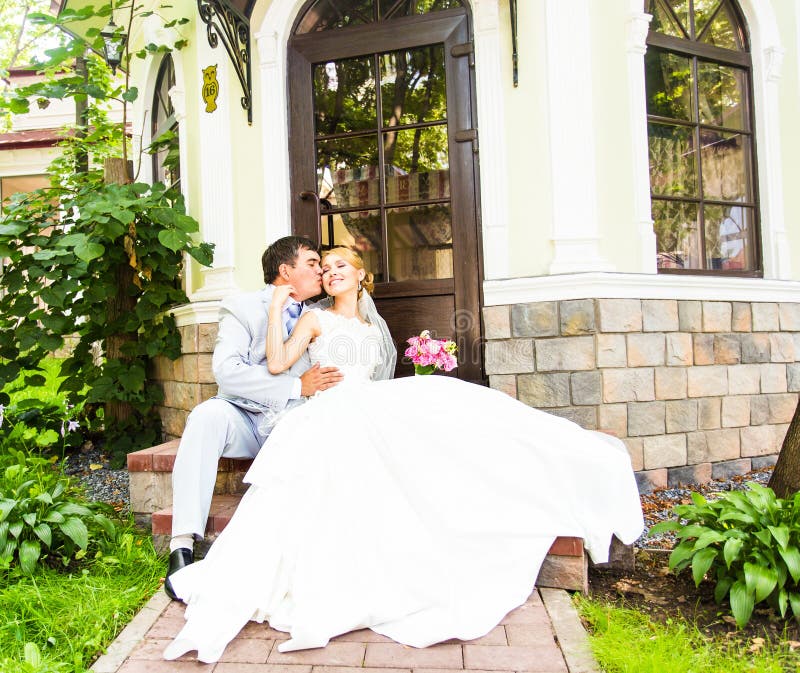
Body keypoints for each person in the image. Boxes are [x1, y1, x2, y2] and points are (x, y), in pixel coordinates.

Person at [164, 247, 644, 662]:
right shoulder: (313, 317)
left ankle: (557, 461)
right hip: (327, 410)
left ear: (359, 276)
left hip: (369, 401)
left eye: (337, 266)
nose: (329, 273)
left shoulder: (375, 327)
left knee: (457, 406)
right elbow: (276, 363)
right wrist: (273, 313)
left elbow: (379, 379)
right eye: (322, 267)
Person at [164, 236, 344, 599]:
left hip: (297, 422)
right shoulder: (242, 307)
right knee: (205, 416)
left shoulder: (325, 313)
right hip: (244, 416)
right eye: (311, 262)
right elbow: (227, 371)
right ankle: (182, 543)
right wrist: (295, 387)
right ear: (285, 270)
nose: (320, 270)